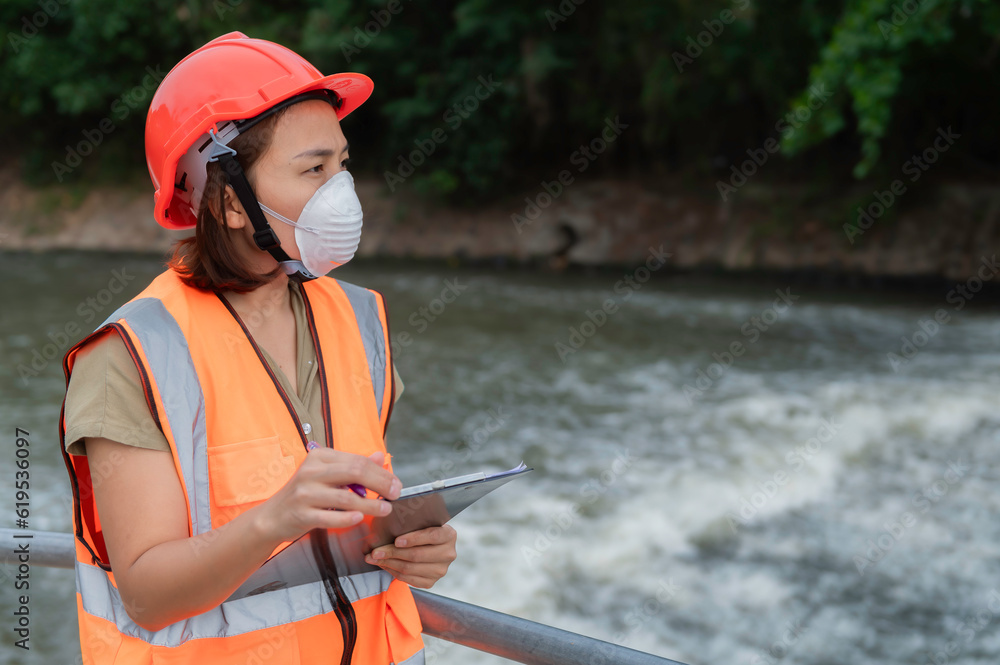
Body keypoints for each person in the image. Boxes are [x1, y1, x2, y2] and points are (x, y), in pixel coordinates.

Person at [59, 32, 456, 665]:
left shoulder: (359, 317)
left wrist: (411, 545)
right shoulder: (131, 355)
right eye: (314, 168)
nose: (343, 190)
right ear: (227, 201)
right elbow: (146, 596)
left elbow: (362, 515)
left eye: (343, 164)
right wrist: (275, 520)